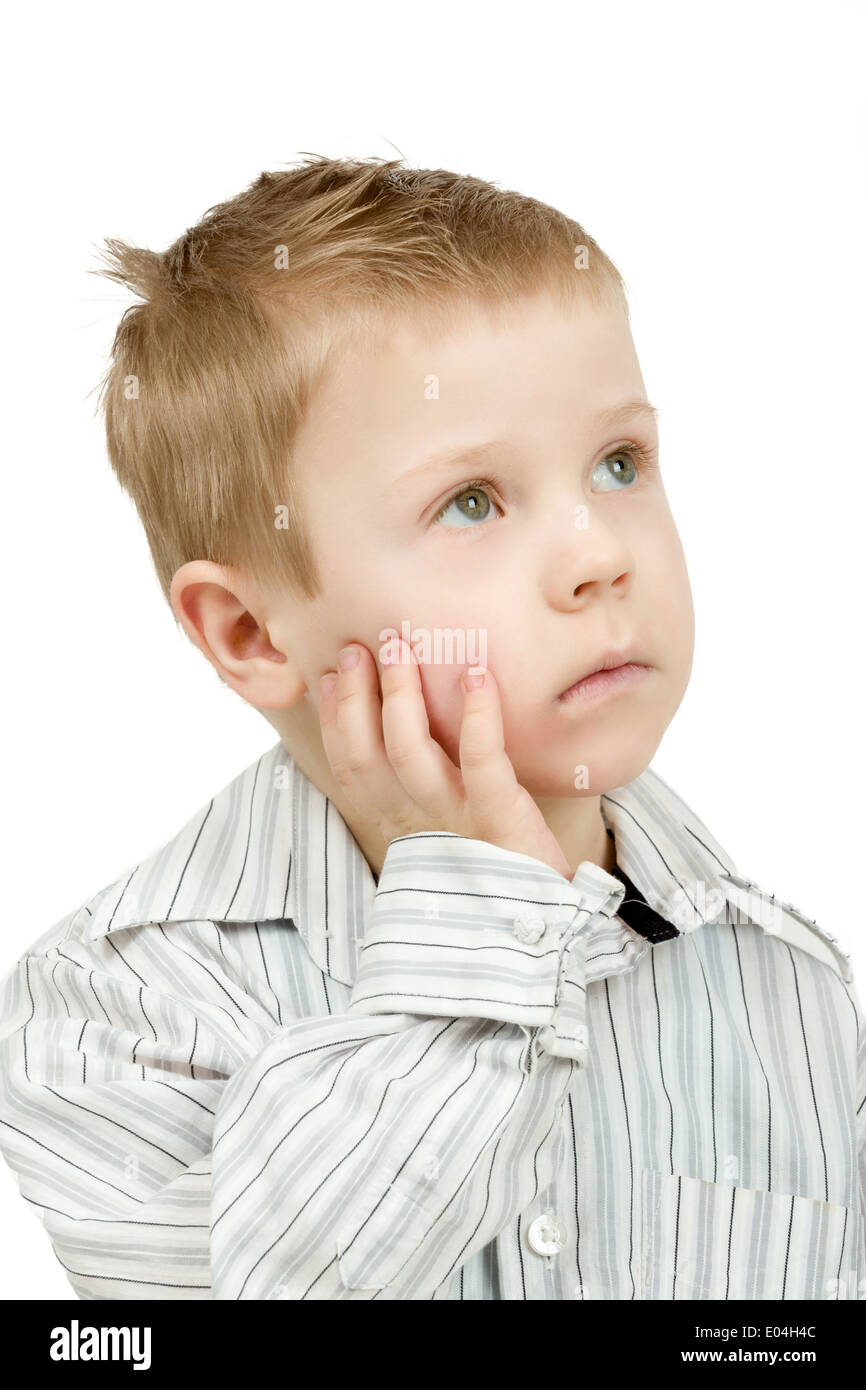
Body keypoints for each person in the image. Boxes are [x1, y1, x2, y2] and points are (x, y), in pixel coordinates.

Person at [0, 157, 862, 1300]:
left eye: (617, 464)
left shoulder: (778, 986)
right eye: (471, 501)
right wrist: (480, 913)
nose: (600, 555)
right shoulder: (110, 1010)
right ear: (253, 630)